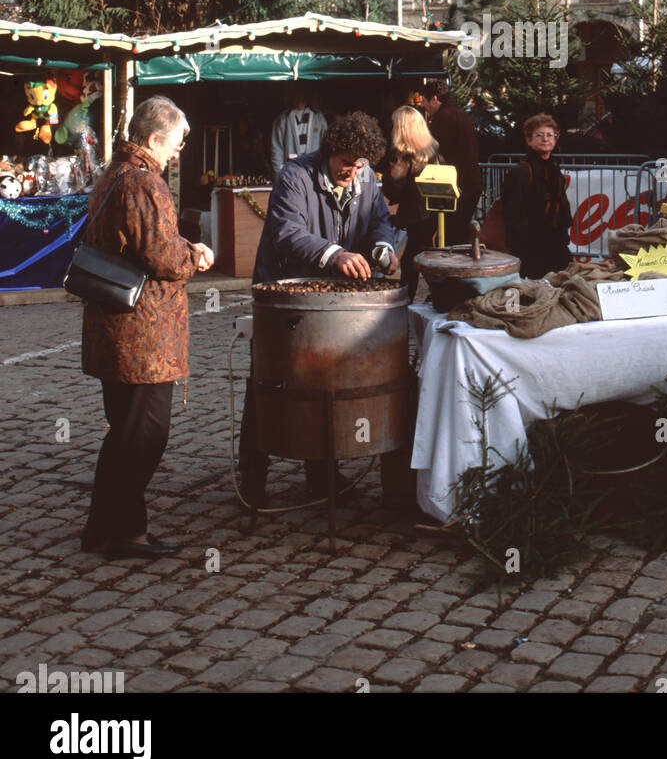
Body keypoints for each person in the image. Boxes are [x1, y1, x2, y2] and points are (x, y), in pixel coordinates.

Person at [80, 97, 214, 559]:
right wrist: (193, 255)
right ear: (154, 140)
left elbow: (139, 241)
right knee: (144, 435)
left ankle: (107, 528)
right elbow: (161, 256)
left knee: (125, 432)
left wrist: (179, 244)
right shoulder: (143, 182)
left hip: (119, 331)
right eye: (177, 142)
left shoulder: (115, 173)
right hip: (141, 338)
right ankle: (124, 533)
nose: (179, 150)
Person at [243, 112, 399, 502]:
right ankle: (252, 479)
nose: (353, 170)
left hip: (332, 297)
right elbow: (287, 232)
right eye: (347, 161)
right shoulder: (294, 176)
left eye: (361, 164)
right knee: (268, 381)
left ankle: (324, 476)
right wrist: (334, 254)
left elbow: (379, 218)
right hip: (285, 294)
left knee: (327, 382)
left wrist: (383, 246)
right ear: (330, 152)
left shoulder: (364, 177)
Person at [502, 113, 572, 280]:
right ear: (529, 140)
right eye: (539, 135)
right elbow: (512, 214)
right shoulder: (521, 172)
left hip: (555, 245)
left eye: (550, 135)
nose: (545, 139)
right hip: (530, 248)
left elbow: (562, 208)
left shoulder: (555, 170)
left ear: (555, 139)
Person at [382, 104, 440, 298]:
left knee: (409, 265)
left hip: (411, 216)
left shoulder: (400, 155)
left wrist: (388, 177)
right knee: (427, 260)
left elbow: (394, 192)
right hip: (431, 213)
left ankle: (405, 303)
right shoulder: (432, 153)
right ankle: (439, 298)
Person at [423, 79, 481, 245]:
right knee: (457, 232)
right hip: (471, 182)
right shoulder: (460, 113)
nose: (424, 107)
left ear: (434, 99)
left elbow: (437, 152)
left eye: (425, 101)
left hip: (458, 184)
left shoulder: (443, 118)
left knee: (450, 236)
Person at [269, 87, 327, 175]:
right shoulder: (283, 119)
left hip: (314, 169)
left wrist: (323, 170)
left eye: (302, 96)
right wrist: (279, 172)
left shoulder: (318, 117)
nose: (299, 99)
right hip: (290, 171)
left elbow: (325, 145)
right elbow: (277, 148)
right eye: (297, 96)